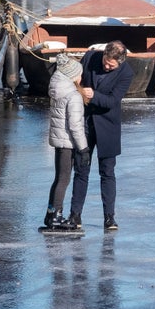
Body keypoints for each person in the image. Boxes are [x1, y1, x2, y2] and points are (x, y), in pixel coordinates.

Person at [65, 41, 134, 232]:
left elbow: (112, 101)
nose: (106, 66)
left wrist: (93, 94)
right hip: (85, 123)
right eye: (105, 62)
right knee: (81, 169)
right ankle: (75, 214)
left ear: (120, 63)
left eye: (111, 66)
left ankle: (109, 217)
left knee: (107, 172)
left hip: (108, 127)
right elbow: (76, 75)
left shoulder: (126, 73)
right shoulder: (91, 57)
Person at [42, 54, 87, 231]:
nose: (81, 77)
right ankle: (56, 215)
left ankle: (50, 213)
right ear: (73, 75)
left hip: (58, 140)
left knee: (58, 178)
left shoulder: (58, 91)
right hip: (67, 142)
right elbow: (75, 126)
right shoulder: (73, 96)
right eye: (79, 74)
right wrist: (83, 148)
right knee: (64, 179)